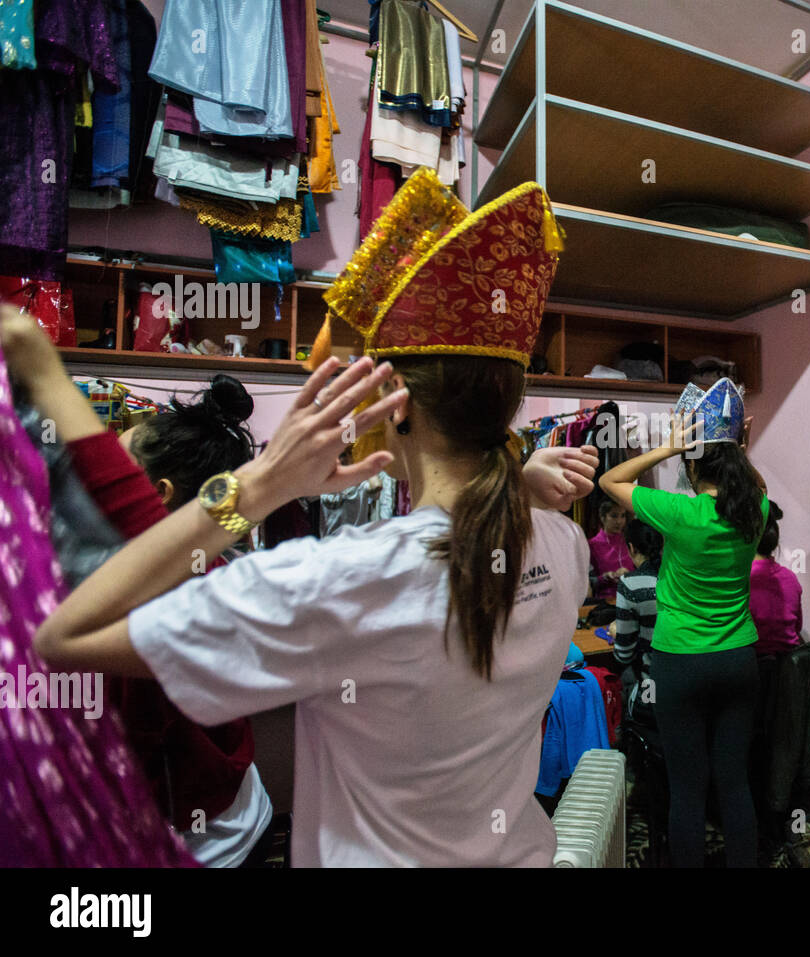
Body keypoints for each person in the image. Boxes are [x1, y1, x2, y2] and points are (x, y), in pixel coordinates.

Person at [35, 168, 601, 866]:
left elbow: (66, 634)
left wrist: (258, 487)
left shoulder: (346, 578)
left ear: (394, 403)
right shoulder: (565, 545)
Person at [1, 311, 273, 867]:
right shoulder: (206, 571)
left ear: (158, 491)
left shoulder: (194, 586)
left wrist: (38, 364)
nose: (89, 481)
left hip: (200, 844)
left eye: (112, 466)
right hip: (233, 814)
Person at [599, 378, 769, 868]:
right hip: (739, 660)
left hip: (681, 665)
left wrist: (668, 446)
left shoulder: (680, 512)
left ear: (692, 464)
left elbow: (611, 484)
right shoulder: (753, 509)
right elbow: (752, 482)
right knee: (734, 784)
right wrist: (738, 446)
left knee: (687, 791)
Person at [614, 518, 663, 715]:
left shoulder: (630, 584)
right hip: (686, 680)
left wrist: (617, 631)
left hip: (652, 686)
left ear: (632, 548)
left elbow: (623, 654)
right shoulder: (677, 577)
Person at [749, 501, 804, 657]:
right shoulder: (790, 578)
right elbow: (797, 627)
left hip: (754, 666)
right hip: (789, 669)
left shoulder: (739, 580)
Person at [589, 498, 634, 602]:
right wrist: (605, 577)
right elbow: (587, 582)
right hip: (606, 601)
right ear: (602, 517)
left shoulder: (629, 541)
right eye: (614, 516)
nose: (619, 521)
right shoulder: (592, 545)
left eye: (622, 516)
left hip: (632, 599)